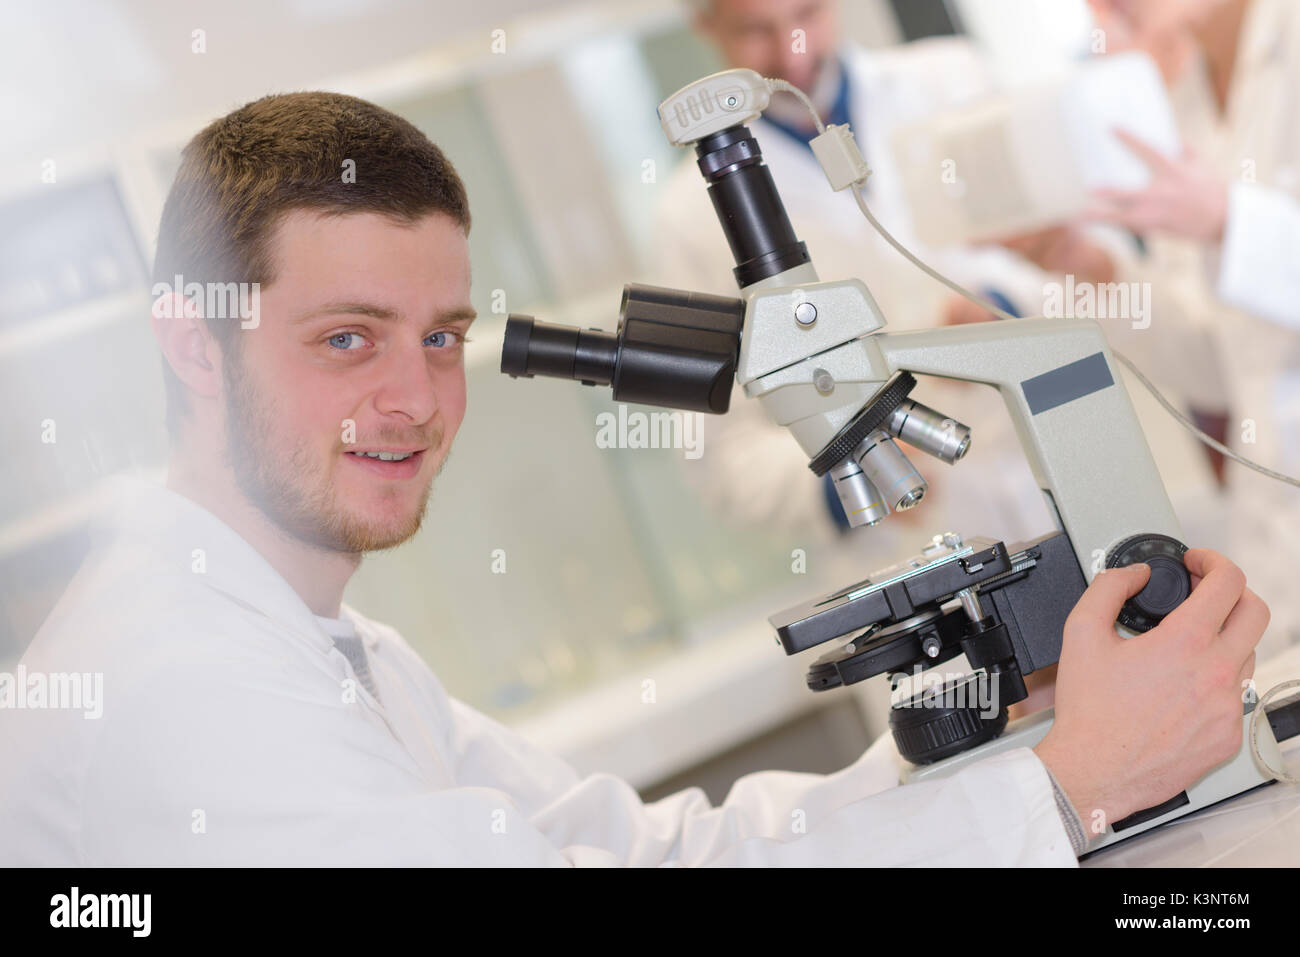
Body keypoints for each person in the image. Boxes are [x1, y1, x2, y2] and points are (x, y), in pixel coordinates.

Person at [0, 91, 1267, 866]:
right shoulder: (183, 689)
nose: (413, 398)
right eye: (345, 339)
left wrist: (1001, 739)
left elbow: (649, 855)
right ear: (194, 346)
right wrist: (1065, 788)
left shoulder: (325, 644)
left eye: (439, 337)